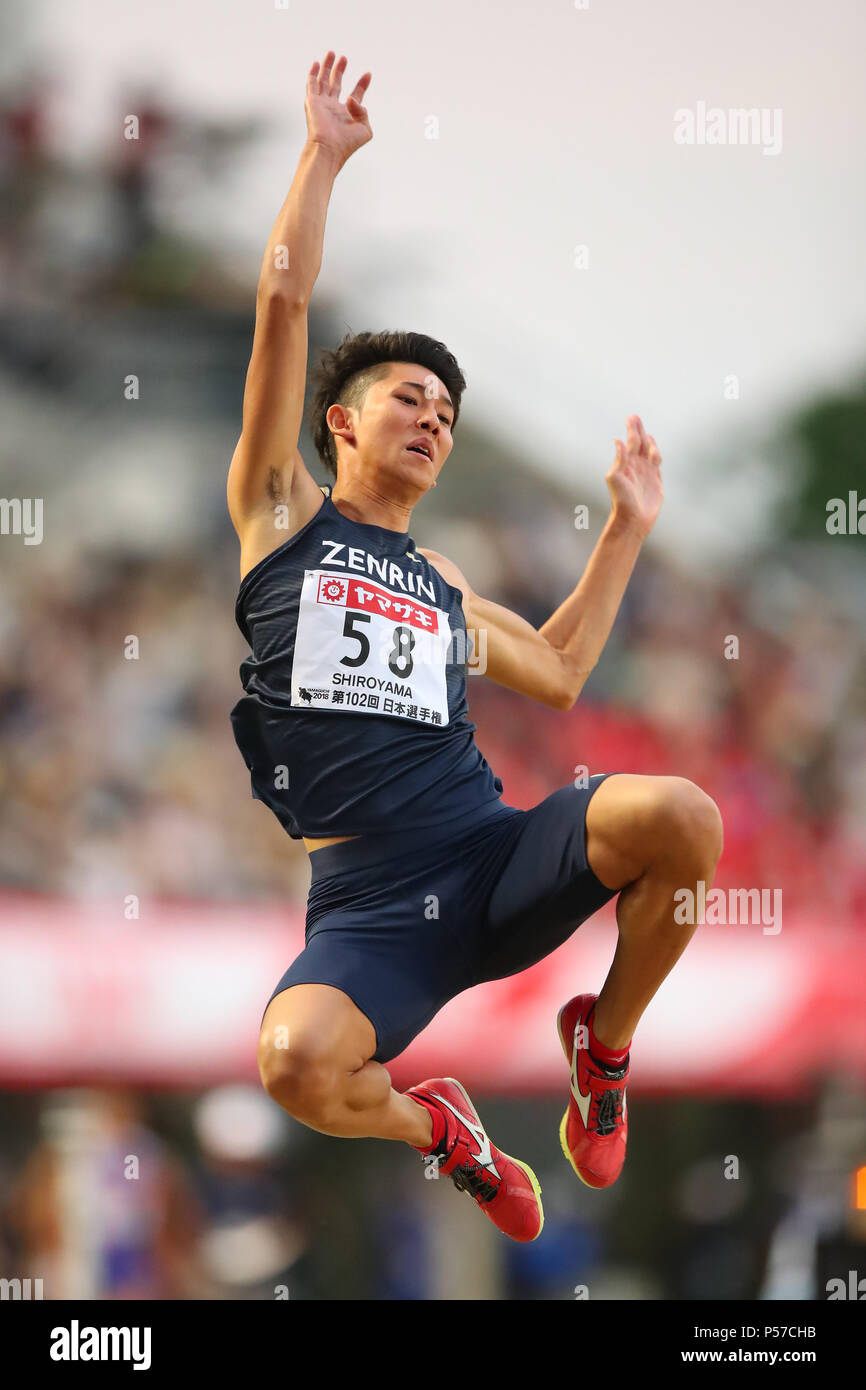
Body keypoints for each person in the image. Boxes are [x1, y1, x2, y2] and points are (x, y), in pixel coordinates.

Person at [228, 51, 723, 1244]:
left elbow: (555, 670)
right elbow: (284, 305)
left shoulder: (444, 582)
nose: (432, 418)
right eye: (409, 397)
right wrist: (322, 155)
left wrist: (623, 527)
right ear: (341, 423)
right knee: (295, 1066)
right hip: (369, 911)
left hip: (492, 858)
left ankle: (598, 1052)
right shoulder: (280, 514)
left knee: (684, 821)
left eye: (446, 413)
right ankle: (437, 1126)